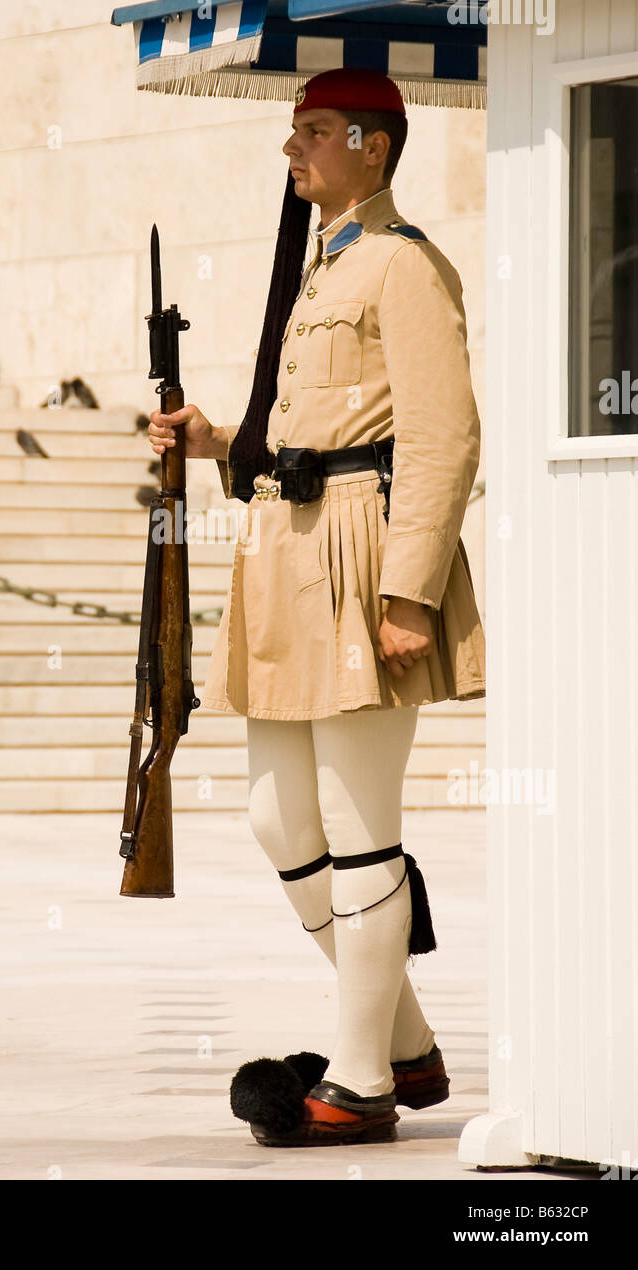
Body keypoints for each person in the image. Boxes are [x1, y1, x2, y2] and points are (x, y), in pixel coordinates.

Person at [146, 67, 485, 1146]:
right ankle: (408, 1037)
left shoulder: (405, 267)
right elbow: (303, 425)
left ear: (373, 146)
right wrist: (210, 441)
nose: (293, 151)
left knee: (357, 824)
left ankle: (362, 1078)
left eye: (315, 133)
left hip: (361, 551)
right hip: (287, 550)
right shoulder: (319, 269)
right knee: (276, 819)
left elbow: (443, 435)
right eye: (293, 133)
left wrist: (411, 591)